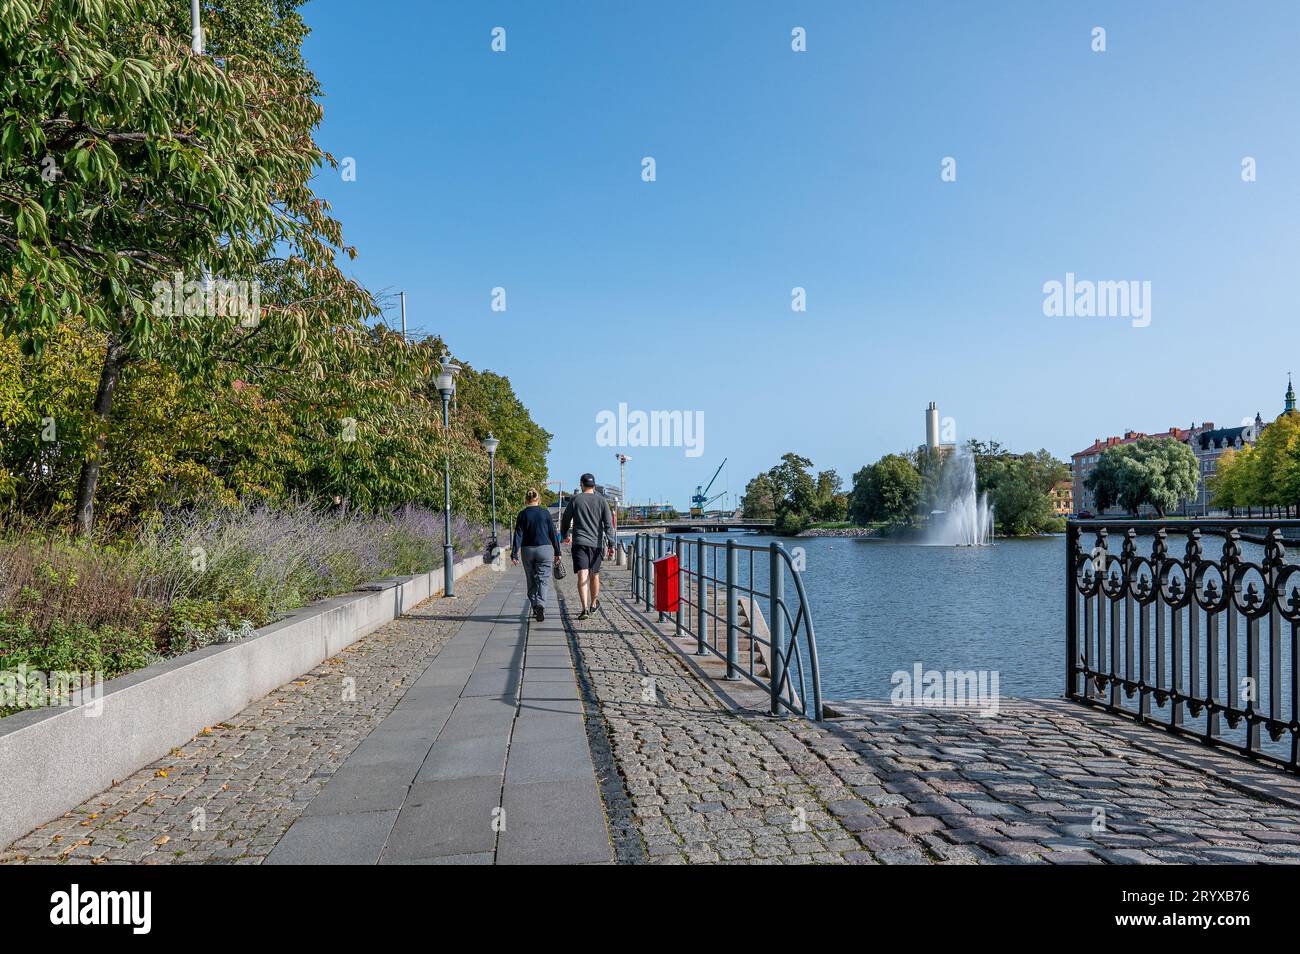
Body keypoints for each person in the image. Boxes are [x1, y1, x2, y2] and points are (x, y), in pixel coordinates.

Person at [561, 473, 616, 620]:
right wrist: (611, 543)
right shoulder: (602, 501)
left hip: (579, 542)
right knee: (594, 574)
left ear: (581, 484)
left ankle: (584, 608)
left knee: (582, 574)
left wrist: (565, 535)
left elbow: (565, 520)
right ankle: (593, 604)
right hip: (596, 544)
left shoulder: (575, 500)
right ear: (594, 485)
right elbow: (608, 525)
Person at [511, 488, 562, 622]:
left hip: (527, 550)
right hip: (544, 549)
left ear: (526, 500)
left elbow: (518, 534)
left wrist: (514, 553)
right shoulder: (545, 513)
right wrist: (558, 552)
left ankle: (534, 604)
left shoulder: (522, 514)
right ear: (538, 499)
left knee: (531, 578)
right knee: (543, 579)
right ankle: (541, 604)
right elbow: (553, 534)